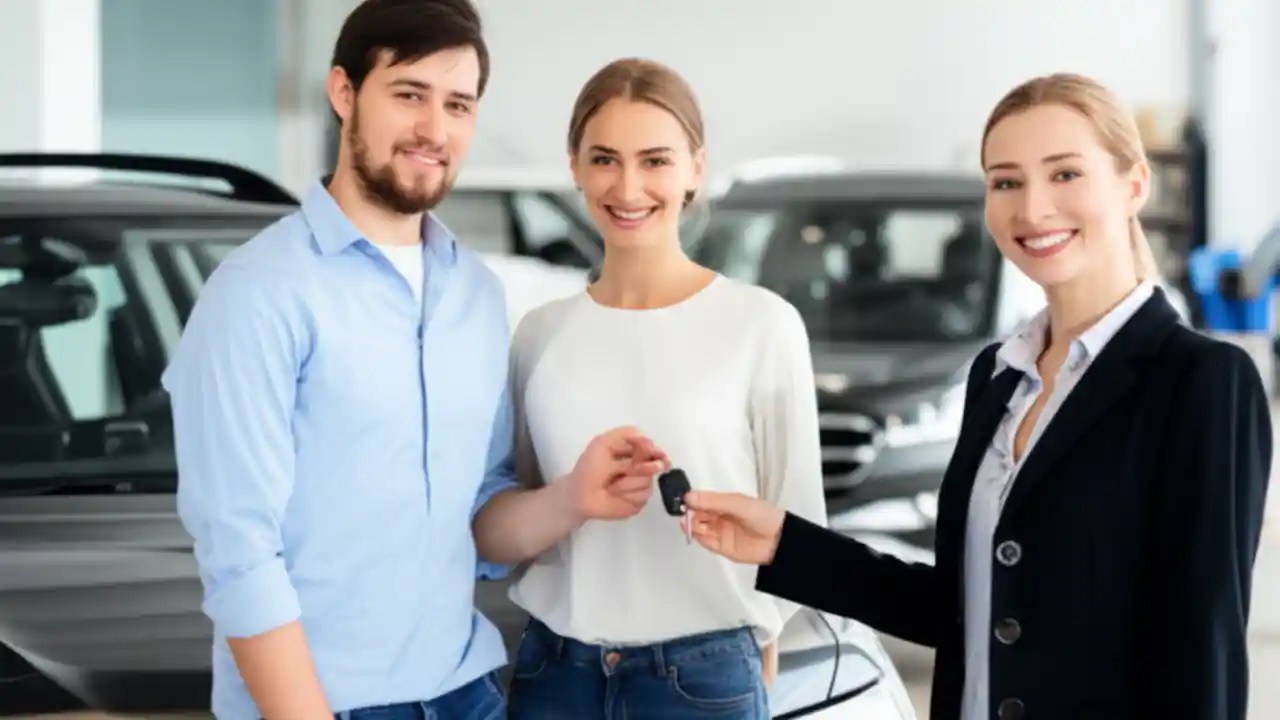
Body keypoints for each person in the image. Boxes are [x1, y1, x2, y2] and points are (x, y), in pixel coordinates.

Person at [683, 73, 1273, 720]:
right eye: (1006, 181)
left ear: (1134, 184)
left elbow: (1202, 654)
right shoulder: (999, 374)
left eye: (1065, 174)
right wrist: (785, 545)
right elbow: (967, 608)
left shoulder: (1201, 381)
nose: (1032, 209)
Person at [162, 2, 666, 719]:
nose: (435, 129)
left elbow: (480, 514)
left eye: (458, 104)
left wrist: (572, 499)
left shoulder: (476, 294)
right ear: (344, 93)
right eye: (408, 95)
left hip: (466, 692)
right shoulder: (258, 293)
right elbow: (240, 555)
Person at [500, 58, 828, 720]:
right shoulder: (539, 334)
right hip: (553, 676)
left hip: (705, 679)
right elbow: (515, 523)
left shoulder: (760, 324)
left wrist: (756, 644)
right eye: (604, 159)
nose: (628, 186)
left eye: (655, 160)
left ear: (695, 169)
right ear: (575, 167)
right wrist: (574, 499)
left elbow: (799, 524)